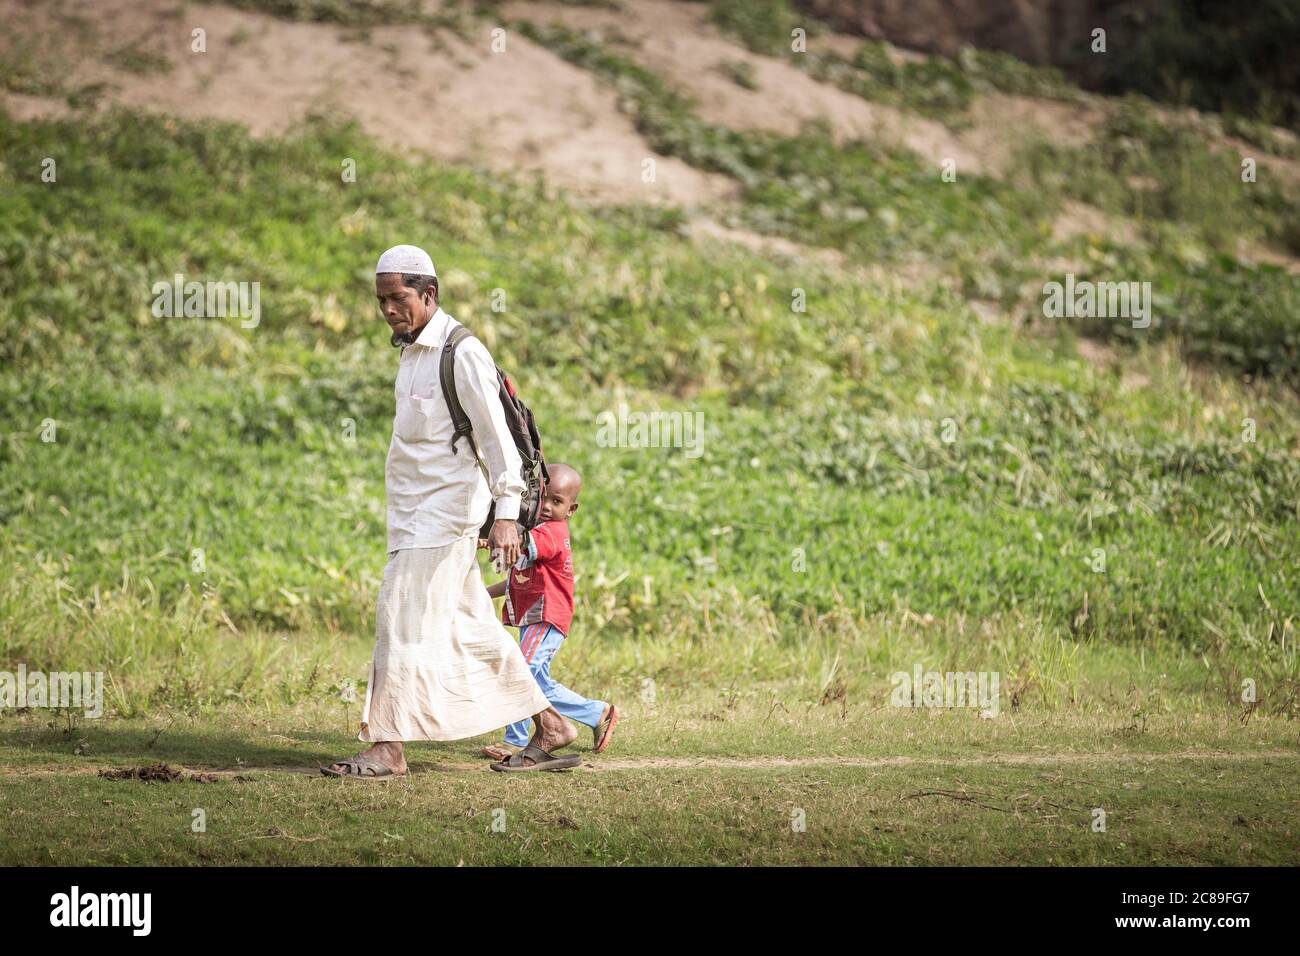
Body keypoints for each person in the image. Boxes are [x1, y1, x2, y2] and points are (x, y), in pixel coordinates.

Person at [321, 244, 581, 777]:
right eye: (381, 301)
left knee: (398, 620)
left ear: (428, 295)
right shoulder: (412, 352)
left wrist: (508, 514)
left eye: (399, 299)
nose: (389, 310)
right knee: (472, 630)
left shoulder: (460, 353)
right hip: (415, 517)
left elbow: (497, 440)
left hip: (442, 520)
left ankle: (388, 747)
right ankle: (552, 724)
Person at [478, 464, 618, 761]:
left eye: (557, 501)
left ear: (571, 509)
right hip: (537, 618)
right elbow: (516, 576)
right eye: (542, 498)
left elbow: (518, 546)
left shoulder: (551, 533)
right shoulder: (539, 532)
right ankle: (597, 712)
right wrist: (484, 593)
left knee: (519, 673)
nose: (547, 507)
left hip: (546, 617)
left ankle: (513, 741)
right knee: (537, 683)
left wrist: (492, 536)